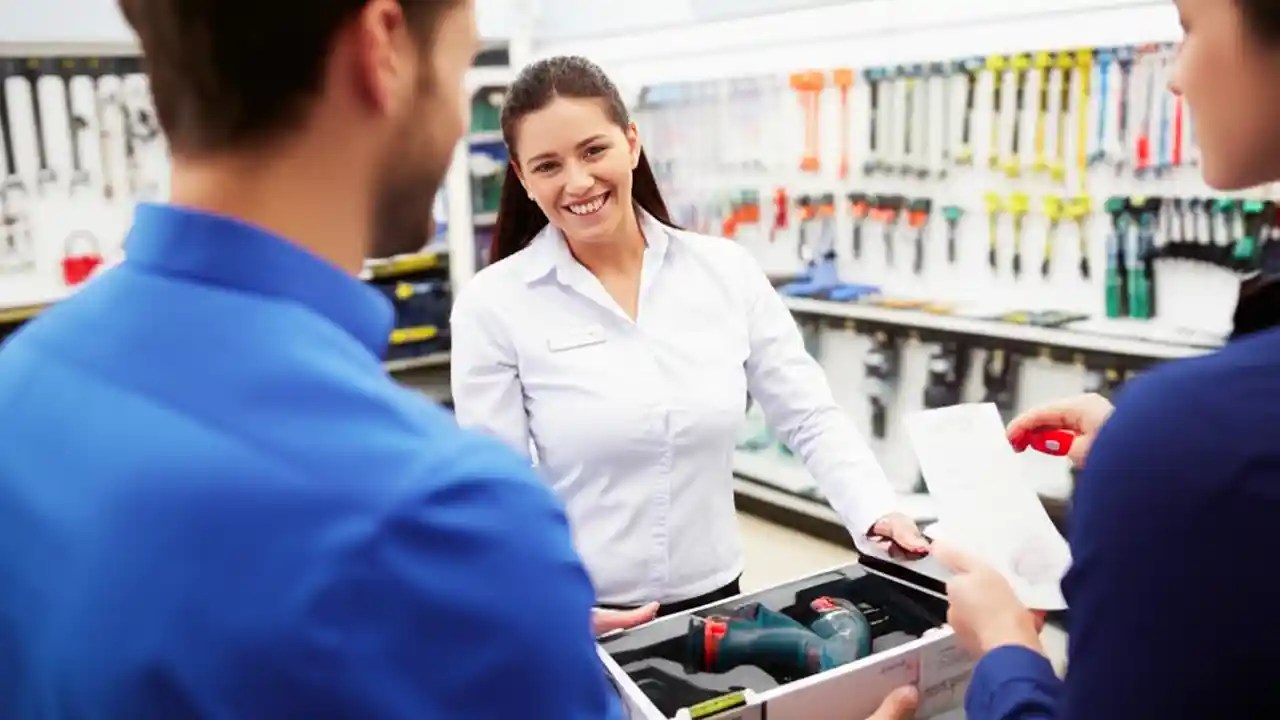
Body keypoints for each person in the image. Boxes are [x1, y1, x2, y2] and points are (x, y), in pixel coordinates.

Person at [0, 1, 621, 717]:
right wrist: (502, 602)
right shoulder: (443, 515)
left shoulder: (21, 389)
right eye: (458, 67)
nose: (457, 123)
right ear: (383, 48)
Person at [449, 55, 929, 632]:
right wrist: (539, 598)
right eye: (548, 165)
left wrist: (875, 510)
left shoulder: (723, 271)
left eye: (593, 150)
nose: (577, 182)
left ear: (631, 142)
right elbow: (497, 484)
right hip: (578, 611)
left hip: (718, 604)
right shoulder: (495, 303)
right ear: (523, 179)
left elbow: (808, 415)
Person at [933, 5, 1280, 717]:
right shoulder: (1204, 436)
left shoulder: (1190, 435)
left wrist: (1004, 652)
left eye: (1189, 28)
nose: (1176, 79)